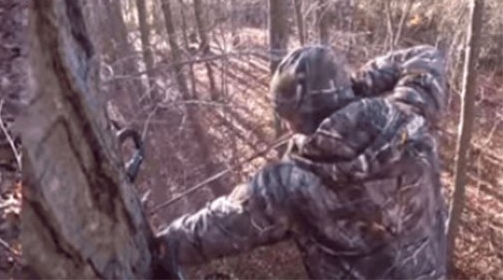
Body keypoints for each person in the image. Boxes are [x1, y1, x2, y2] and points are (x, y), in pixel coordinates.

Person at [154, 45, 448, 280]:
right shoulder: (411, 119)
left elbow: (217, 227)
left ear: (294, 119)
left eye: (287, 118)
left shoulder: (289, 185)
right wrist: (355, 86)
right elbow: (425, 56)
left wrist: (161, 244)